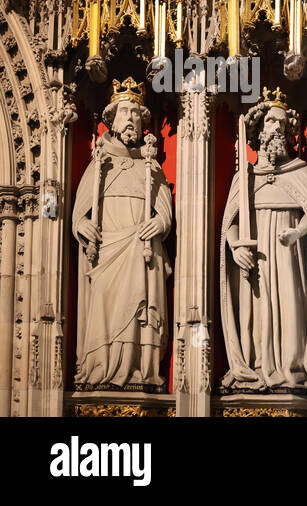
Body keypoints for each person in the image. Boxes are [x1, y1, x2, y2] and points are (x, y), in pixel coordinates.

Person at [219, 88, 307, 391]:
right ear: (259, 130)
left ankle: (293, 368)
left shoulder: (300, 171)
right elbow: (230, 223)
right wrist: (236, 246)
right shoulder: (245, 177)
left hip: (288, 254)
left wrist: (298, 233)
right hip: (255, 258)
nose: (276, 128)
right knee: (258, 314)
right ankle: (257, 367)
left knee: (291, 307)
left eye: (281, 124)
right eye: (270, 122)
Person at [72, 77, 172, 389]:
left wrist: (162, 222)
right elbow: (80, 210)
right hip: (107, 251)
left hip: (140, 250)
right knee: (106, 310)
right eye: (124, 112)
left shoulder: (150, 167)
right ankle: (102, 370)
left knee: (140, 312)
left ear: (144, 122)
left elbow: (165, 209)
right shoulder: (100, 164)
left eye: (135, 113)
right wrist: (81, 224)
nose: (130, 118)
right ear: (112, 120)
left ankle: (139, 372)